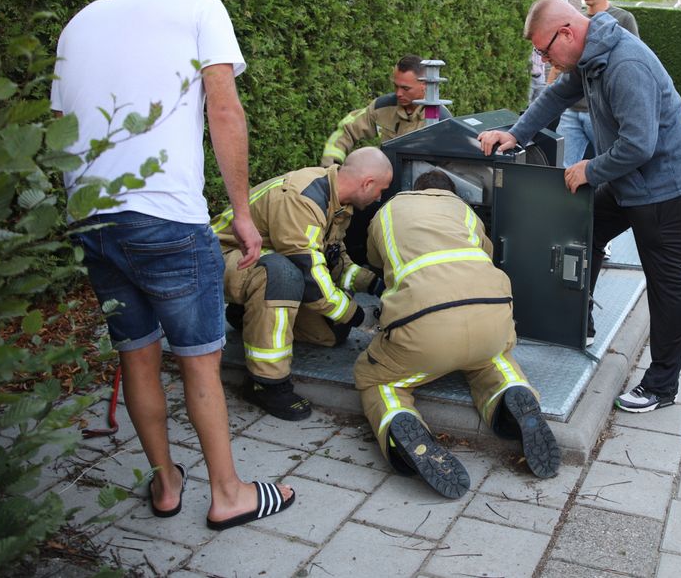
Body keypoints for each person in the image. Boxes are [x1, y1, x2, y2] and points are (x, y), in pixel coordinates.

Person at [51, 0, 293, 530]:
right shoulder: (199, 6)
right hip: (165, 217)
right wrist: (242, 212)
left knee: (137, 355)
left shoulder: (79, 21)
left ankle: (165, 483)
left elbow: (62, 126)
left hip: (91, 216)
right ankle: (229, 493)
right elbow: (224, 109)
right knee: (199, 362)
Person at [477, 0, 681, 414]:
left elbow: (639, 144)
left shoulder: (624, 64)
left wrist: (590, 170)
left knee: (666, 284)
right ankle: (577, 322)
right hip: (628, 181)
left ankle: (661, 386)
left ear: (566, 32)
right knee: (582, 232)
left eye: (546, 50)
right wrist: (516, 134)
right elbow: (555, 96)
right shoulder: (589, 56)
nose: (546, 60)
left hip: (664, 189)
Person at [352, 171, 560, 499]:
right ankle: (512, 396)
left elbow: (375, 259)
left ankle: (400, 421)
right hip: (491, 312)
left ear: (416, 189)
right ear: (449, 192)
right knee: (491, 358)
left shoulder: (388, 211)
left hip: (423, 327)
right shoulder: (465, 211)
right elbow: (485, 252)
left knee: (375, 378)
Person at [214, 148, 393, 420]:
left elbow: (333, 259)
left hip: (262, 261)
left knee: (333, 333)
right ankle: (266, 383)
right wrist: (358, 315)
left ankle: (247, 316)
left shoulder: (338, 204)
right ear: (367, 183)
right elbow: (310, 276)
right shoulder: (303, 198)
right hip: (221, 257)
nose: (380, 197)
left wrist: (376, 286)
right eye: (380, 190)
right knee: (282, 274)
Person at [320, 55, 452, 265]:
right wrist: (330, 170)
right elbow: (346, 131)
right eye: (396, 86)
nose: (398, 93)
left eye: (406, 88)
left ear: (425, 87)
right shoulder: (382, 107)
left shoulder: (439, 118)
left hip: (415, 200)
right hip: (381, 191)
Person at [552, 0, 639, 168]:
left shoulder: (623, 20)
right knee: (561, 170)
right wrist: (551, 95)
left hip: (601, 114)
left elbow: (633, 67)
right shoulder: (574, 21)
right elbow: (559, 65)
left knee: (609, 171)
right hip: (570, 112)